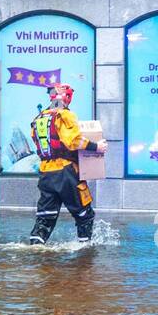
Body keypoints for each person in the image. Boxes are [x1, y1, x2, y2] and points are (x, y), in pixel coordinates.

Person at [29, 83, 106, 245]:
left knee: (45, 217)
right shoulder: (64, 115)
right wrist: (96, 147)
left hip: (45, 174)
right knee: (85, 214)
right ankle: (84, 250)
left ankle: (35, 249)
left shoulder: (39, 118)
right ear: (67, 97)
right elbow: (73, 141)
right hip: (66, 172)